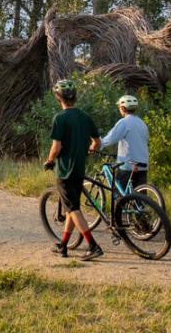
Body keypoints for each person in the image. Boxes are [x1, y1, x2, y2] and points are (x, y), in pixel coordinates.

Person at [43, 79, 103, 260]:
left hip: (65, 171)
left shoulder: (60, 118)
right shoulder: (85, 117)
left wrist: (49, 160)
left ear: (58, 98)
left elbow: (56, 146)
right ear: (74, 97)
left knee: (74, 209)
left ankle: (93, 246)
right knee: (71, 208)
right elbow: (97, 141)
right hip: (79, 169)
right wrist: (91, 149)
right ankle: (63, 245)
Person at [99, 94, 149, 190]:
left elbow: (111, 138)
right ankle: (140, 205)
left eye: (119, 107)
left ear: (123, 108)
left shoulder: (124, 122)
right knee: (140, 197)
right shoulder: (142, 123)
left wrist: (98, 145)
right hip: (142, 165)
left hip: (128, 166)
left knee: (120, 196)